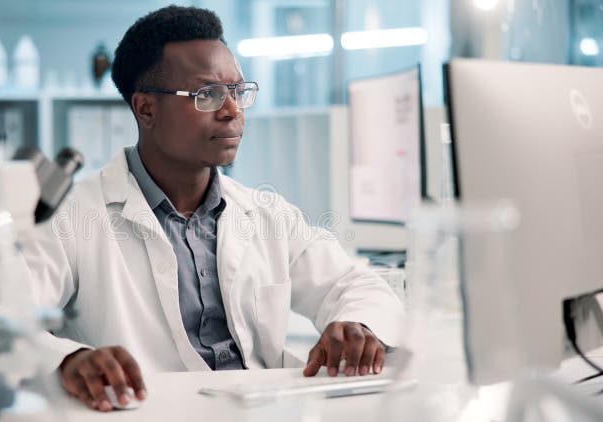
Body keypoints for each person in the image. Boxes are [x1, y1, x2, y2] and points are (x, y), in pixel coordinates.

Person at [23, 5, 404, 413]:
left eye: (239, 92)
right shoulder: (72, 216)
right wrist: (68, 359)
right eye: (208, 95)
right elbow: (3, 324)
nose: (233, 111)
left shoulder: (265, 213)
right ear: (146, 109)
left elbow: (357, 284)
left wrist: (358, 325)